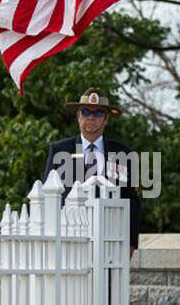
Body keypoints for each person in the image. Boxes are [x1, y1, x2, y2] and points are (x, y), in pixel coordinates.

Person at [42, 89, 141, 253]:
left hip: (110, 239)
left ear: (106, 118)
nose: (91, 117)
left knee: (109, 280)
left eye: (98, 113)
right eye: (85, 111)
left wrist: (131, 242)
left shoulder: (122, 153)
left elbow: (131, 199)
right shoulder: (60, 150)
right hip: (69, 239)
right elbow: (48, 196)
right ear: (78, 116)